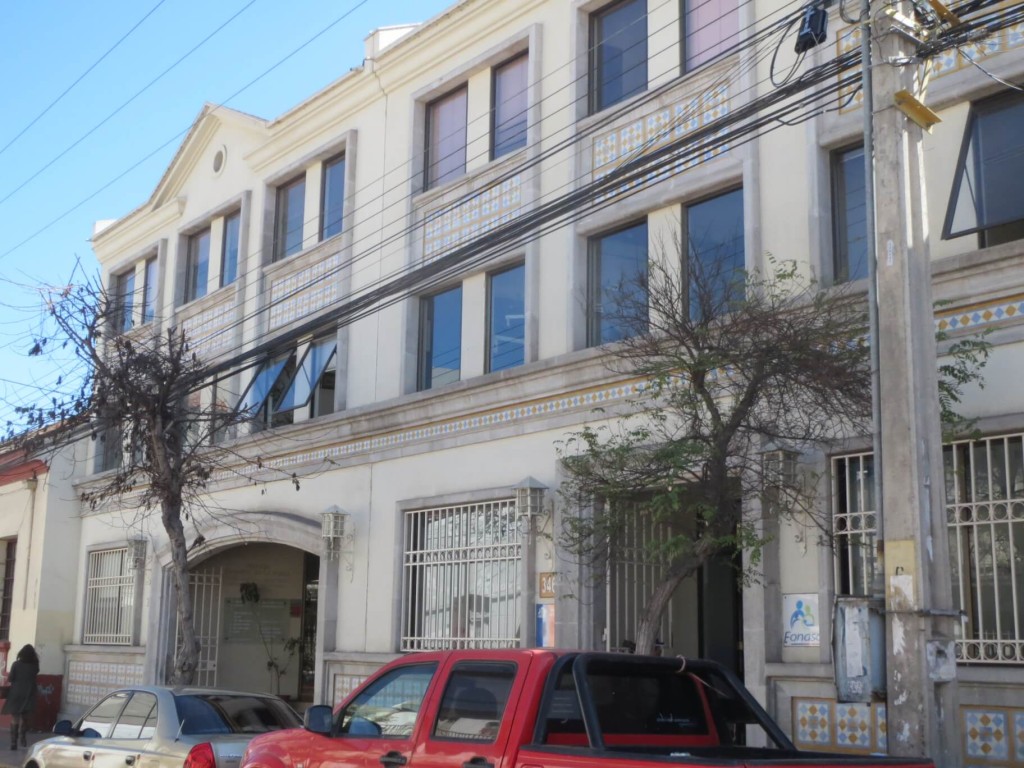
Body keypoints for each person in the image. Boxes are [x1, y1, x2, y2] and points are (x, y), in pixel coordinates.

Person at [2, 644, 39, 749]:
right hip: (29, 693)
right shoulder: (34, 665)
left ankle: (13, 743)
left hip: (16, 693)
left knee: (15, 717)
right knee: (25, 717)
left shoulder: (16, 664)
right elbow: (36, 673)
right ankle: (23, 736)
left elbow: (10, 678)